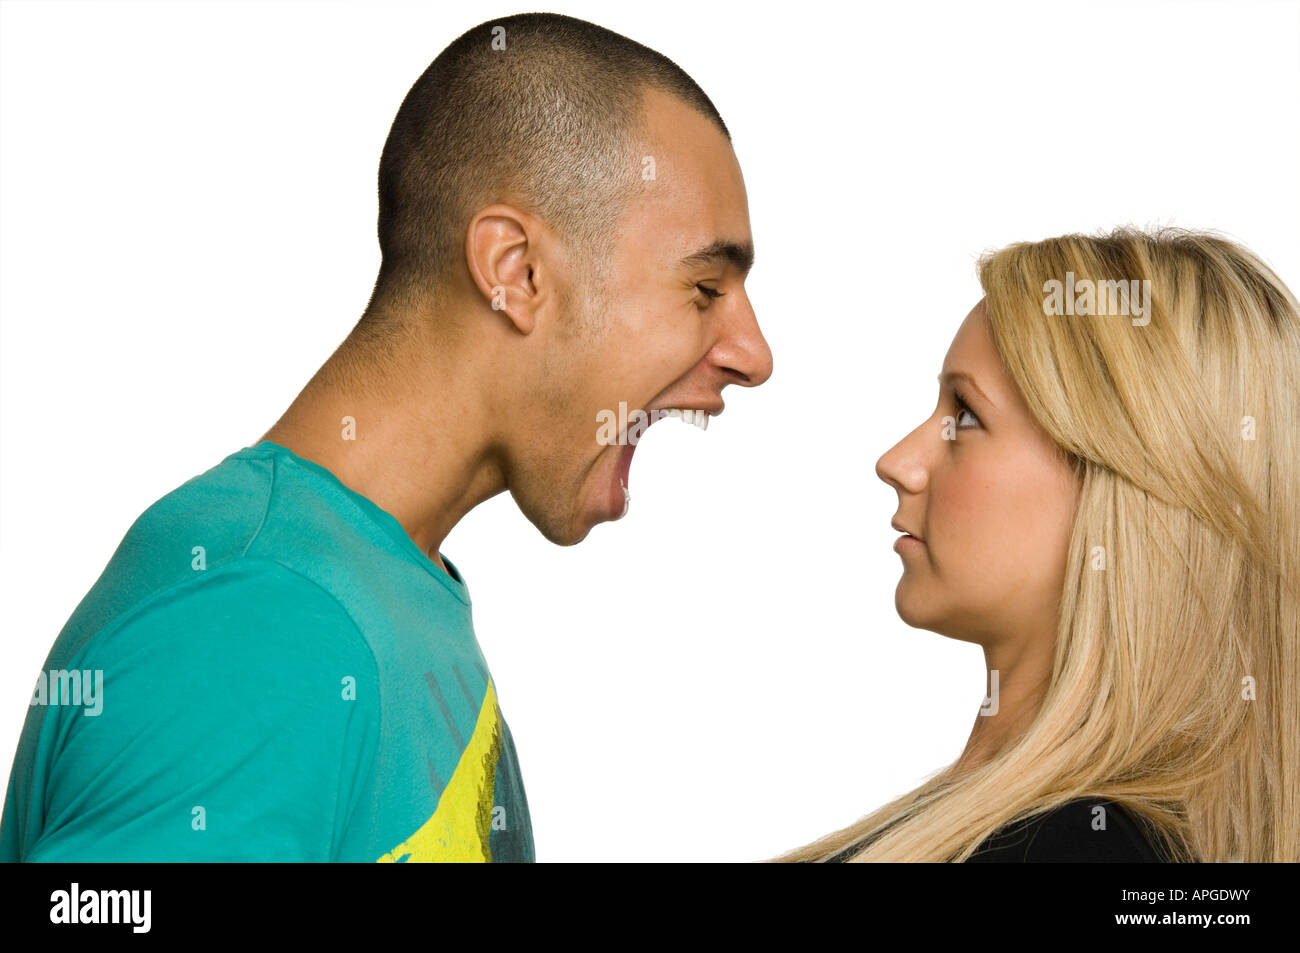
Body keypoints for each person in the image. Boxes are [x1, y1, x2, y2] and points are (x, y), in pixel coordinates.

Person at [1, 12, 771, 862]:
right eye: (705, 287)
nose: (753, 355)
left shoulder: (374, 599)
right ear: (516, 271)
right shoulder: (261, 624)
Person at [781, 228, 1299, 863]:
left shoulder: (1076, 850)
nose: (898, 463)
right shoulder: (1027, 831)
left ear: (1118, 485)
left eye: (965, 415)